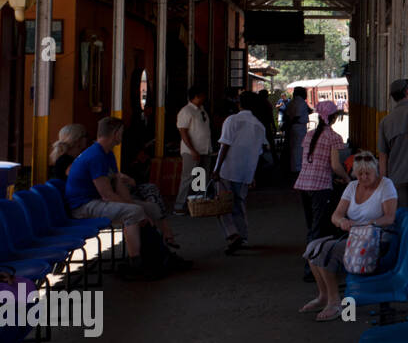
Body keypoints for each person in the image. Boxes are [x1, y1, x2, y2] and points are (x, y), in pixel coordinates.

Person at [65, 117, 188, 276]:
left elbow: (118, 184)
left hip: (96, 200)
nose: (123, 136)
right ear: (115, 133)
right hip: (83, 206)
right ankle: (135, 262)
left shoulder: (107, 154)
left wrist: (134, 204)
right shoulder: (95, 156)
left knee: (150, 207)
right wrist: (134, 208)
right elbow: (107, 194)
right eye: (122, 133)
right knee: (134, 213)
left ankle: (161, 252)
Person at [300, 151, 397, 321]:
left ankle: (334, 302)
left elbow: (389, 218)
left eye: (368, 173)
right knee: (312, 247)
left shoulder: (386, 185)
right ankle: (323, 295)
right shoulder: (352, 187)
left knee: (325, 251)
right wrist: (342, 221)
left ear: (376, 171)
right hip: (353, 237)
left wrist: (367, 224)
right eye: (359, 174)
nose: (364, 177)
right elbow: (336, 215)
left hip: (376, 239)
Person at [213, 91, 267, 256]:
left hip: (228, 169)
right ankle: (242, 236)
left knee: (222, 204)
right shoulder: (259, 125)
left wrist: (216, 169)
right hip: (246, 171)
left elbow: (225, 146)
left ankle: (232, 234)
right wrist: (253, 175)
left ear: (239, 103)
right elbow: (258, 152)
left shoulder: (232, 120)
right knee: (239, 203)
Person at [293, 100, 349, 242]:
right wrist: (347, 178)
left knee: (311, 224)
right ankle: (312, 260)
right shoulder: (334, 137)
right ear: (334, 117)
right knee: (319, 227)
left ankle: (310, 255)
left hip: (303, 184)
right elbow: (336, 166)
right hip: (320, 186)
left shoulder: (309, 134)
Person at [378, 78, 408, 214]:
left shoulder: (385, 122)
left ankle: (406, 235)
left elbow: (383, 157)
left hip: (396, 177)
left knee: (401, 217)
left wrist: (384, 184)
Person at [174, 85, 212, 215]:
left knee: (200, 178)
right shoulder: (186, 111)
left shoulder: (201, 110)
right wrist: (192, 150)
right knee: (188, 177)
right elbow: (183, 132)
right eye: (202, 95)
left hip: (204, 149)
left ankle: (197, 203)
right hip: (192, 151)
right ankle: (179, 205)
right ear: (196, 96)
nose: (204, 98)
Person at [286, 86, 311, 181]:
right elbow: (297, 116)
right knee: (299, 148)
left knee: (294, 147)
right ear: (301, 94)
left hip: (293, 127)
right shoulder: (301, 103)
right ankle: (297, 169)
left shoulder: (291, 102)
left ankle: (295, 167)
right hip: (299, 127)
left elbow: (288, 115)